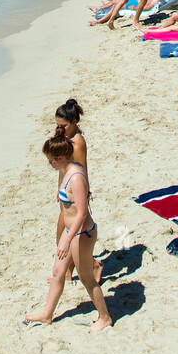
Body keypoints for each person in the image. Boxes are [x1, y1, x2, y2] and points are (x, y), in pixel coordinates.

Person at [24, 134, 111, 332]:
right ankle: (47, 313)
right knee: (58, 273)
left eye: (51, 160)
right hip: (70, 231)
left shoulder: (76, 177)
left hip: (82, 234)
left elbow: (81, 213)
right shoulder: (67, 170)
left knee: (87, 279)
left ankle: (105, 317)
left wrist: (66, 240)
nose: (49, 164)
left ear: (61, 158)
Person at [52, 99, 102, 285]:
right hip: (65, 191)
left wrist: (83, 195)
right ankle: (67, 271)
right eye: (57, 125)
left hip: (75, 195)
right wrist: (59, 188)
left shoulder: (77, 143)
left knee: (69, 238)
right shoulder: (65, 137)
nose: (59, 129)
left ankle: (93, 266)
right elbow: (62, 167)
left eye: (63, 126)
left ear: (73, 123)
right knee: (63, 236)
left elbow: (82, 170)